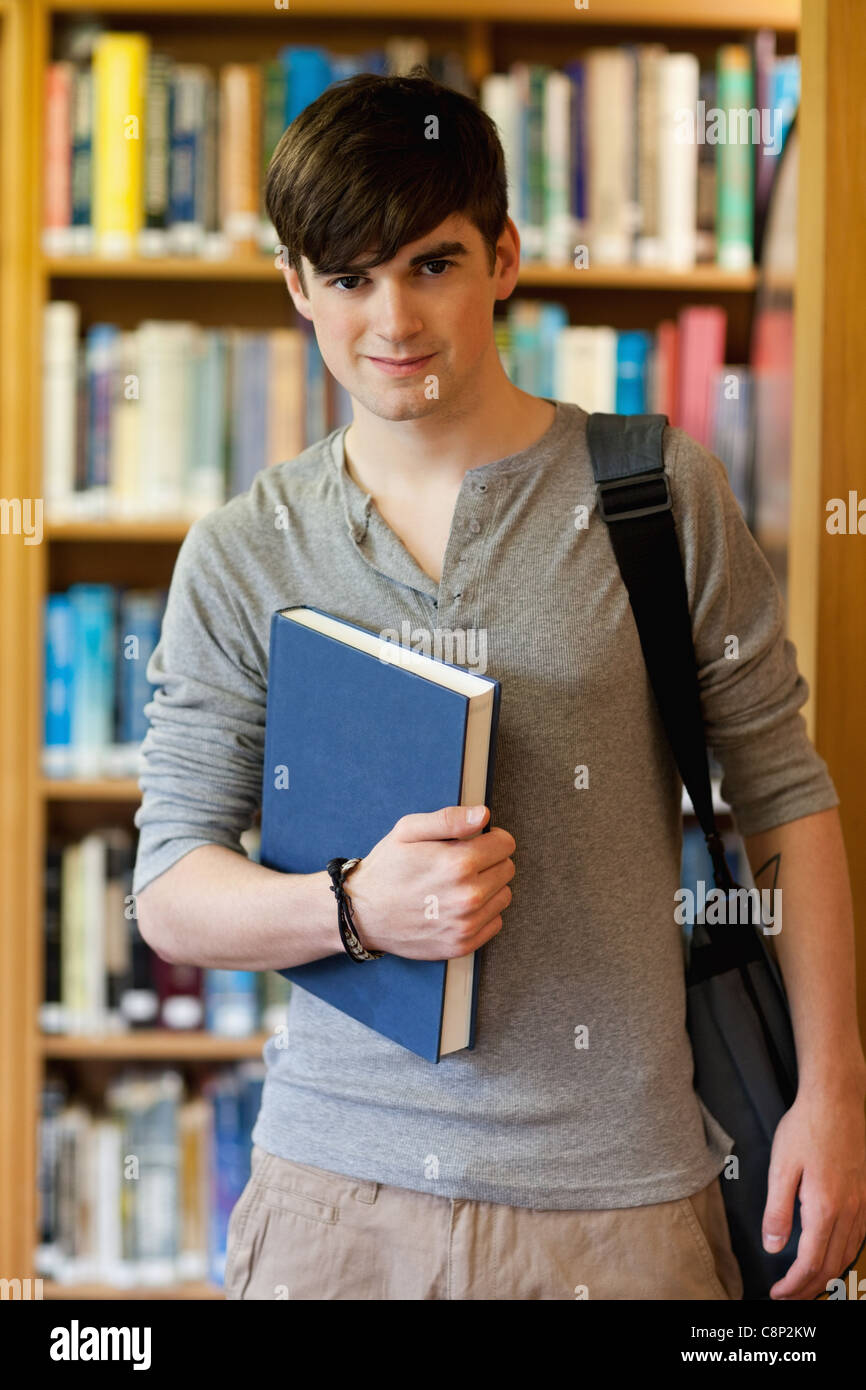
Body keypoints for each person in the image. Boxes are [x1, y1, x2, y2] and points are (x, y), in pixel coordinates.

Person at [133, 70, 866, 1301]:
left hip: (621, 1203)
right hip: (333, 1204)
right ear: (296, 287)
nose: (392, 320)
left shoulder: (655, 493)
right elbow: (169, 892)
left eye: (431, 264)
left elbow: (784, 792)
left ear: (503, 259)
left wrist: (834, 1095)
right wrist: (356, 907)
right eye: (349, 276)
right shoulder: (242, 549)